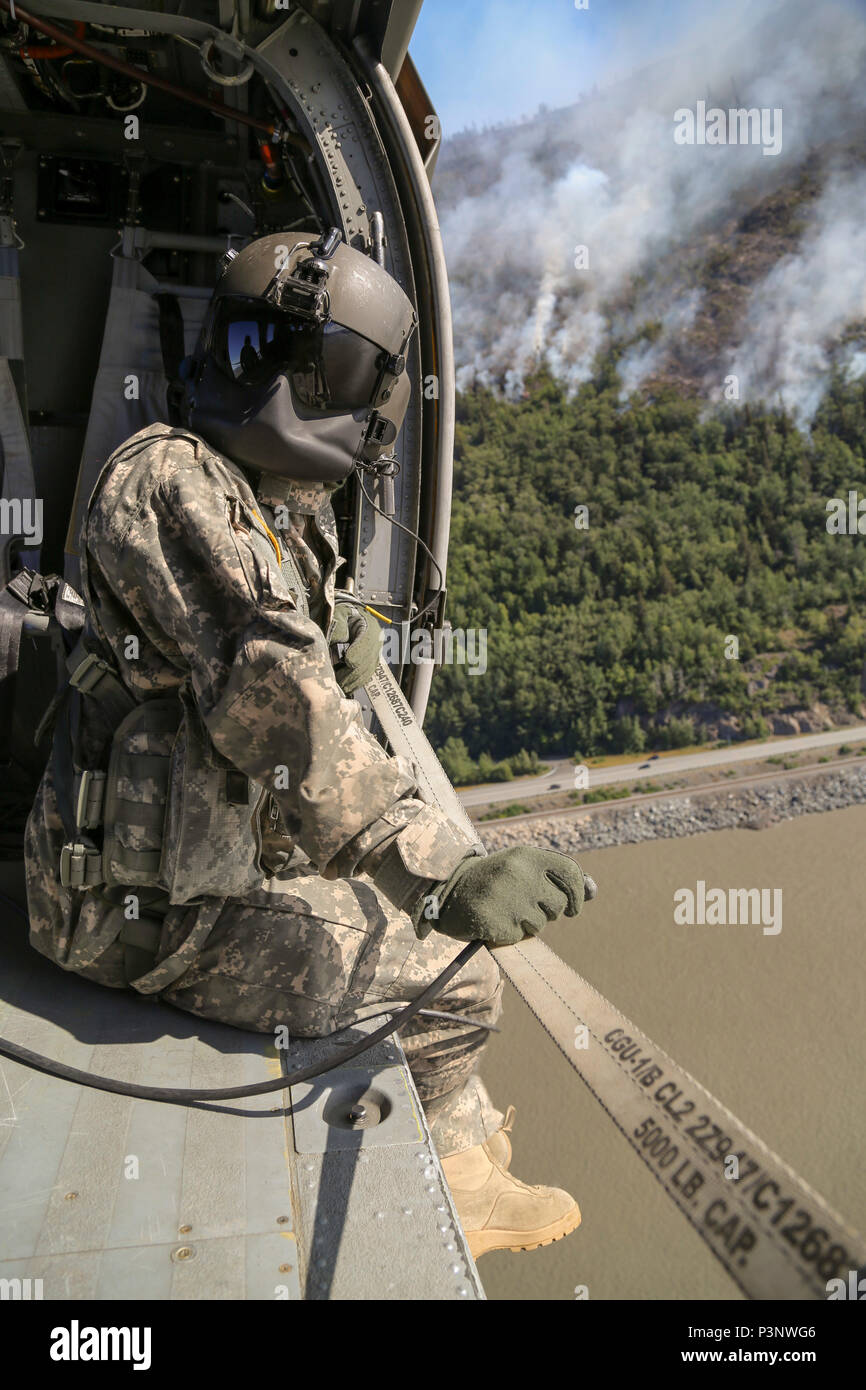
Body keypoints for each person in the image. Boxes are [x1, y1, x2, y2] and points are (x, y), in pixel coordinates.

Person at [24, 229, 588, 1260]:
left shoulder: (262, 501)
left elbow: (300, 650)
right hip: (135, 920)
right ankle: (453, 1175)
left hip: (188, 884)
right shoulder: (170, 480)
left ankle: (467, 1145)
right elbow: (272, 693)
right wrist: (435, 865)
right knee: (459, 983)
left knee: (435, 957)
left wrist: (346, 641)